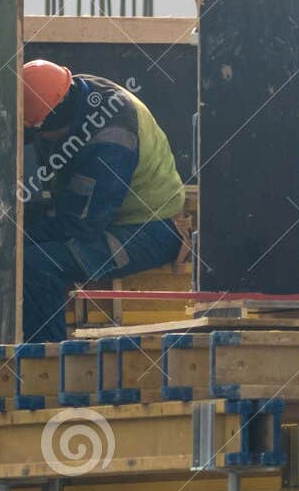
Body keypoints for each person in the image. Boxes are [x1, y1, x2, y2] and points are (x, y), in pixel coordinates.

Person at [19, 60, 186, 343]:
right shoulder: (71, 92)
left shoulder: (111, 141)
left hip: (147, 230)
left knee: (36, 266)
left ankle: (44, 363)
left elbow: (82, 225)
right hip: (104, 215)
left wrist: (19, 233)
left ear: (56, 122)